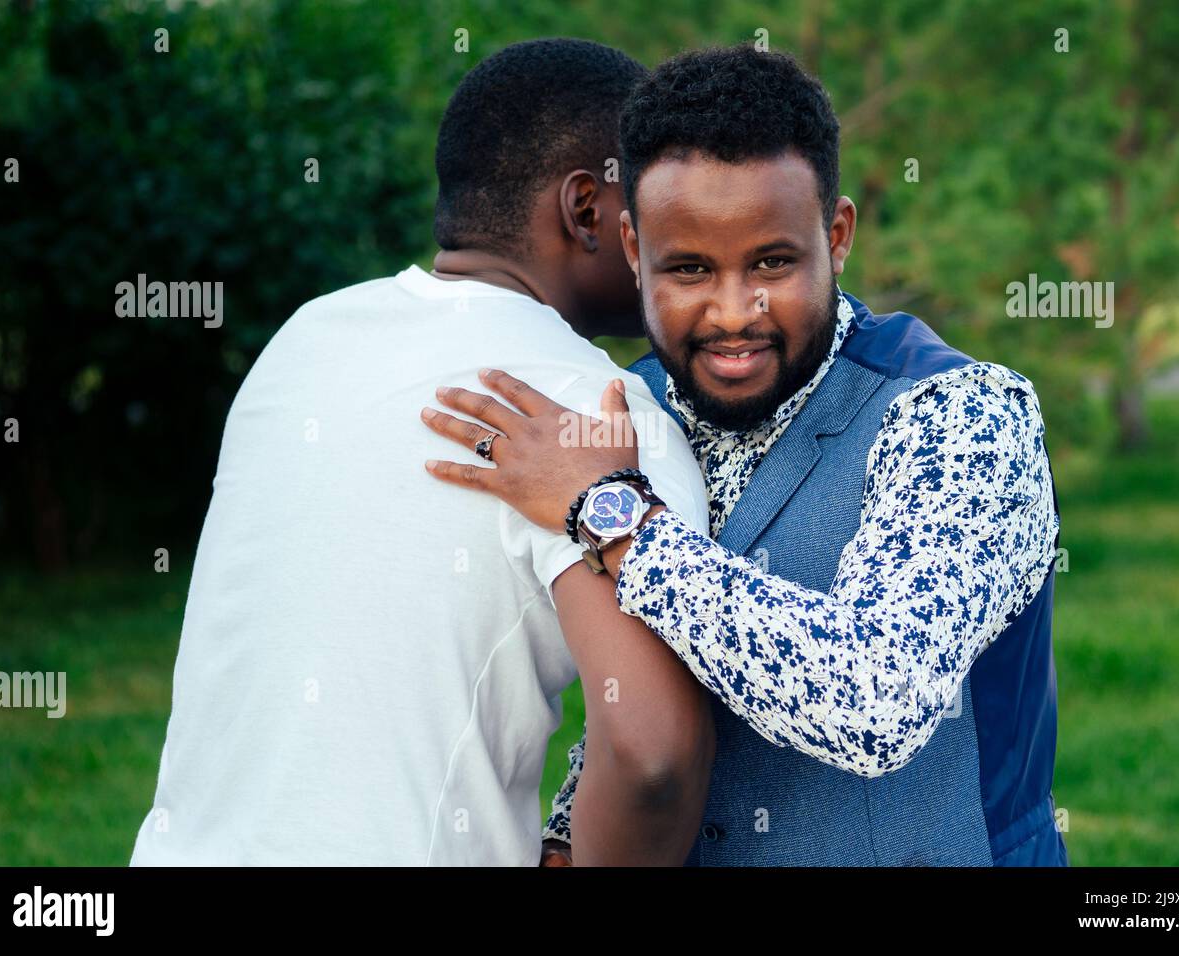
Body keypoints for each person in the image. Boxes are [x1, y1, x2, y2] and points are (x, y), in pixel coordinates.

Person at [423, 44, 1068, 866]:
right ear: (631, 247)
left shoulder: (964, 416)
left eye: (772, 262)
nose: (734, 315)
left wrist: (613, 516)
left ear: (836, 237)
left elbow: (874, 700)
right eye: (689, 268)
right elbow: (640, 688)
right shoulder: (637, 404)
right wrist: (562, 840)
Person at [131, 38, 714, 867]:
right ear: (587, 210)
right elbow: (653, 756)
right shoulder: (602, 411)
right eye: (657, 207)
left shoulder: (306, 339)